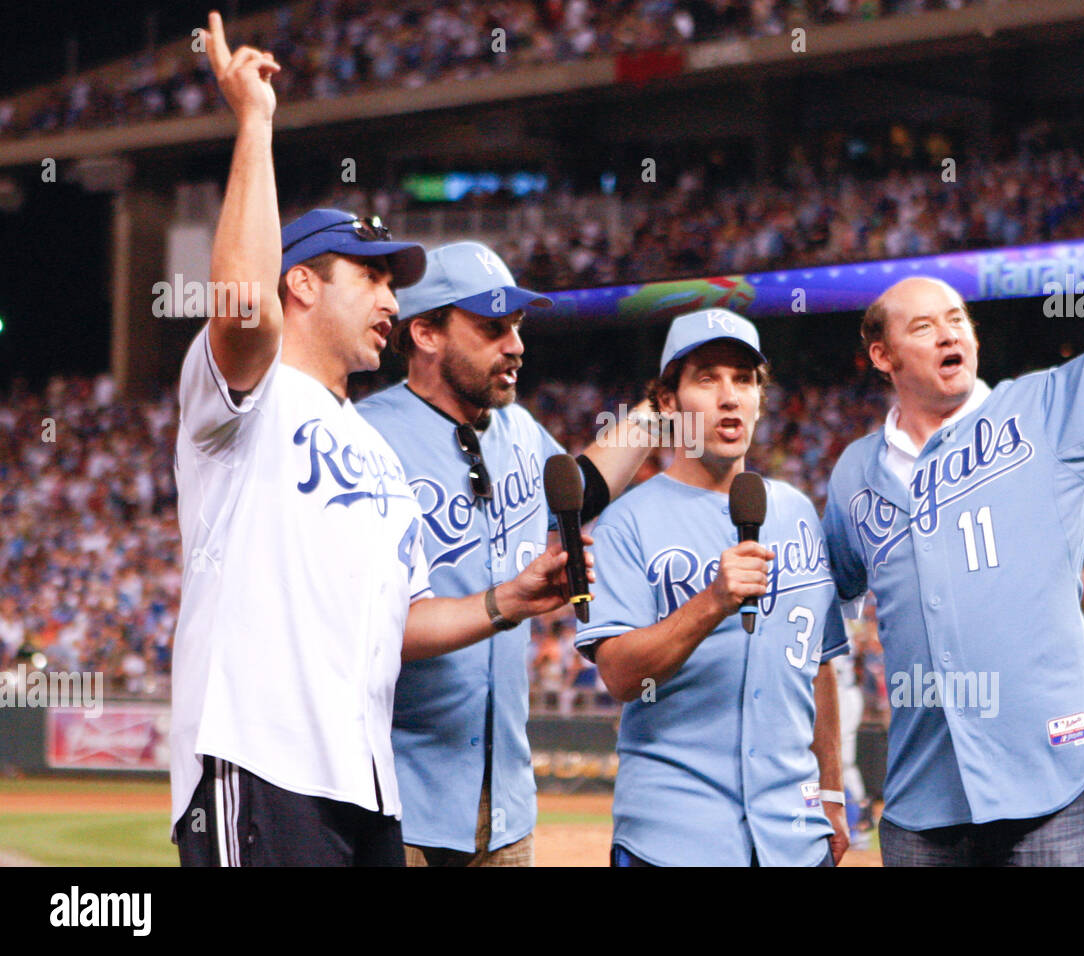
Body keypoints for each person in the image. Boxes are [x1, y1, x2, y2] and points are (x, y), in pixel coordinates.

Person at [172, 14, 584, 867]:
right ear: (302, 283)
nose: (393, 301)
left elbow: (402, 622)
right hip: (260, 759)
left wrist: (512, 598)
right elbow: (242, 308)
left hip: (367, 781)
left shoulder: (373, 449)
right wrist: (255, 123)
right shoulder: (250, 395)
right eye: (372, 277)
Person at [820, 69, 1084, 866]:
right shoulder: (853, 476)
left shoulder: (1044, 412)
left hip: (1053, 780)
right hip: (922, 803)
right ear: (880, 354)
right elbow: (825, 627)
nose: (946, 333)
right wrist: (828, 779)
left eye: (956, 319)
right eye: (922, 325)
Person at [357, 241, 651, 866]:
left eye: (516, 327)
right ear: (427, 333)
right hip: (399, 799)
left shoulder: (519, 430)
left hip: (508, 805)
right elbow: (360, 626)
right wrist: (507, 600)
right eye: (492, 328)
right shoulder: (365, 436)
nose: (515, 345)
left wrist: (662, 404)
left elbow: (584, 487)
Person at [575, 309, 851, 866]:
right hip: (673, 840)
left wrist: (832, 790)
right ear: (669, 404)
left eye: (744, 379)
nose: (730, 396)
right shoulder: (626, 522)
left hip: (793, 837)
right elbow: (621, 675)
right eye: (707, 378)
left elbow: (819, 662)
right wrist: (711, 604)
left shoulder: (797, 511)